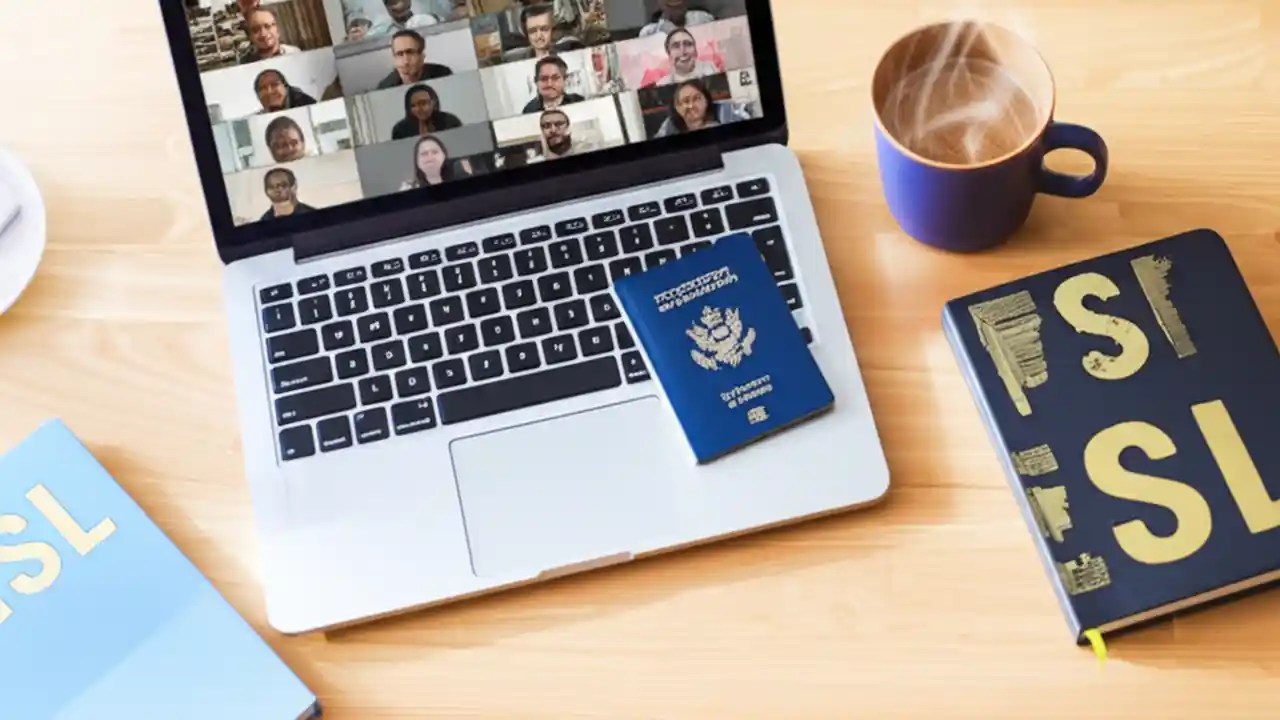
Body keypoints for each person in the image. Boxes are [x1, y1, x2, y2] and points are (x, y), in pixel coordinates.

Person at [654, 78, 750, 137]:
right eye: (686, 101)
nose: (691, 105)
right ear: (677, 107)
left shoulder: (725, 114)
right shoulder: (668, 127)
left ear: (706, 100)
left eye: (696, 98)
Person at [377, 30, 453, 88]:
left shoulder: (442, 75)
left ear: (422, 56)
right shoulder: (385, 87)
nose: (406, 61)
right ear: (394, 58)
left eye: (410, 52)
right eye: (400, 54)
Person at [390, 84, 463, 139]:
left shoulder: (450, 121)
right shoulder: (400, 130)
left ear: (433, 102)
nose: (419, 109)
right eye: (413, 105)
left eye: (423, 103)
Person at [652, 28, 719, 86]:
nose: (683, 51)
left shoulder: (710, 68)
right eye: (676, 46)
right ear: (670, 56)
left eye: (688, 44)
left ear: (696, 52)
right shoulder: (663, 84)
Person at [638, 0, 714, 38]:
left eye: (680, 6)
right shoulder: (649, 33)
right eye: (672, 7)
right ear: (661, 4)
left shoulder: (703, 19)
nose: (677, 11)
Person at [374, 0, 440, 35]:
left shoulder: (425, 17)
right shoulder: (380, 32)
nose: (398, 4)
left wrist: (434, 20)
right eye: (391, 1)